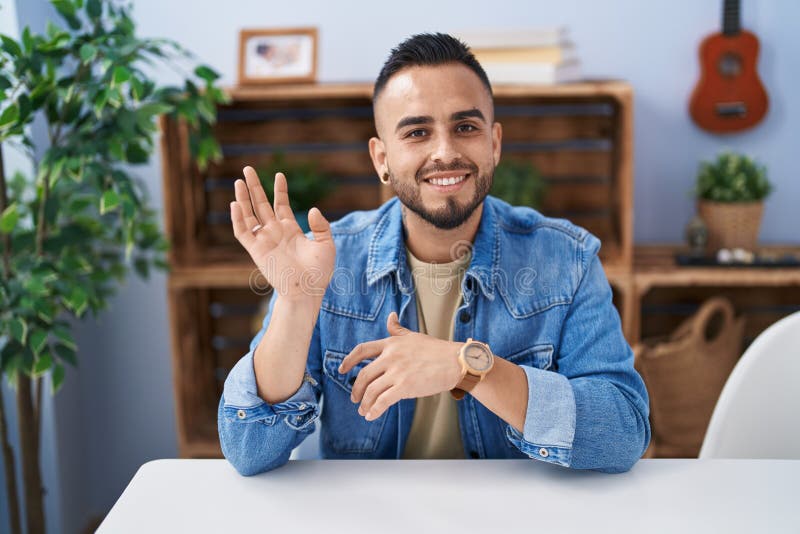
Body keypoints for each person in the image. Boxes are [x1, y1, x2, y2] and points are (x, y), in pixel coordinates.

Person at [218, 33, 650, 475]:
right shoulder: (328, 262)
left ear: (494, 144)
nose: (445, 152)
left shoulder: (568, 259)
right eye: (417, 132)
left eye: (465, 127)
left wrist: (468, 368)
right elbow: (249, 451)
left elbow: (621, 432)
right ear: (381, 158)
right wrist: (295, 304)